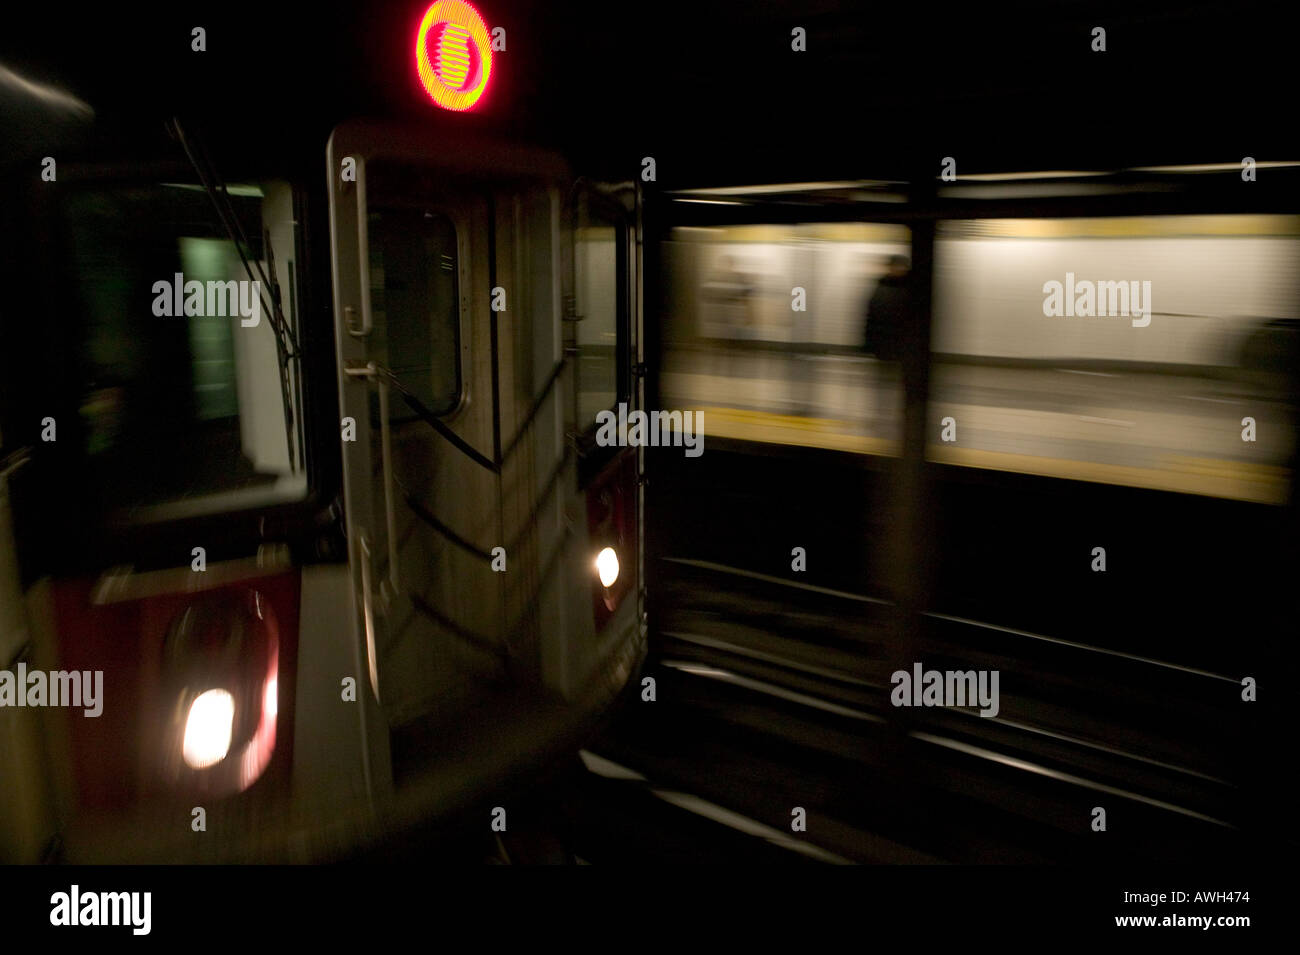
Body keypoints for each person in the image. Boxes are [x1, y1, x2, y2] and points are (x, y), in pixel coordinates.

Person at [861, 255, 912, 436]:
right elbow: (869, 318)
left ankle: (902, 418)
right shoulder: (879, 288)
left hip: (903, 349)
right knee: (883, 384)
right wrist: (867, 344)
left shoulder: (910, 291)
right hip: (883, 348)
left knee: (901, 386)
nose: (894, 270)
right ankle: (882, 418)